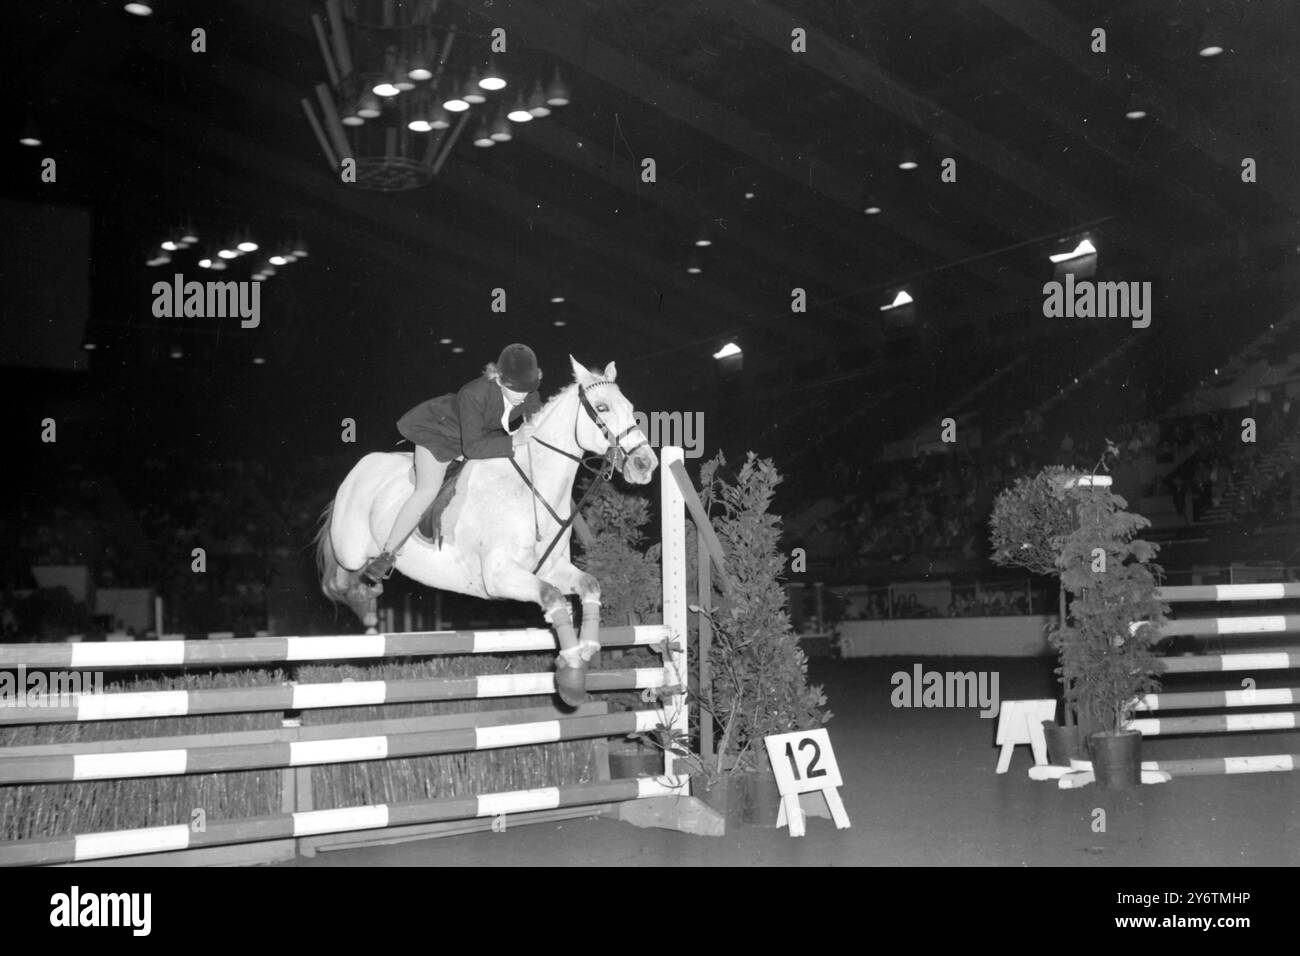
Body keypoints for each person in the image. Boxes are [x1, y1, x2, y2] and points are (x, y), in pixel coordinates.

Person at [360, 344, 544, 584]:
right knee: (427, 490)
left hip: (479, 437)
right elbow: (472, 449)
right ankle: (388, 553)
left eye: (527, 388)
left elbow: (537, 420)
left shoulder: (529, 393)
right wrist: (514, 441)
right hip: (439, 436)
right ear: (499, 379)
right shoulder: (473, 394)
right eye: (515, 389)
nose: (522, 395)